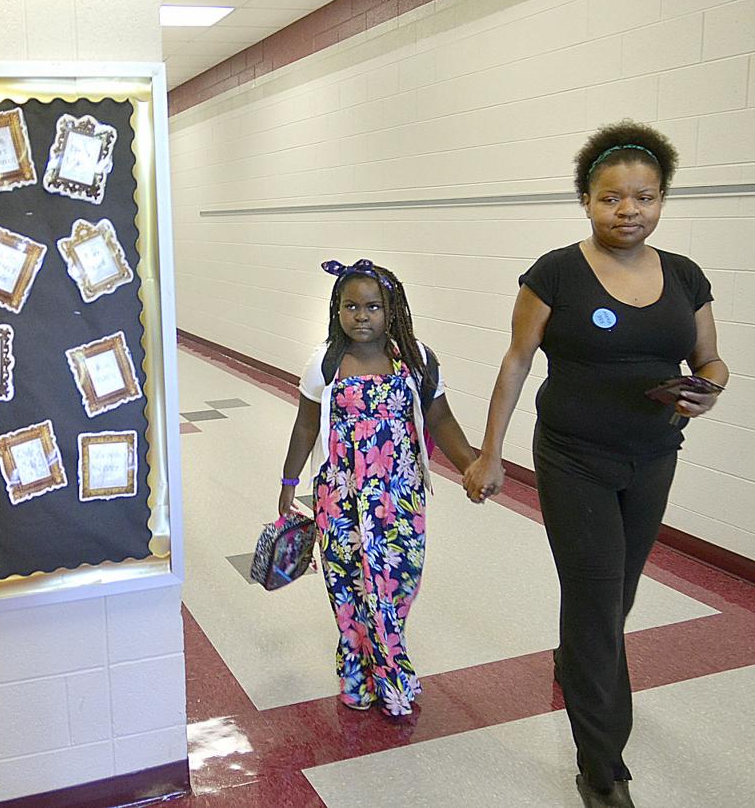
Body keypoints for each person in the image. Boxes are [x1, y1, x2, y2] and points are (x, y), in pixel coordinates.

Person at [462, 121, 728, 808]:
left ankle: (575, 666)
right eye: (612, 198)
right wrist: (491, 452)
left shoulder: (687, 276)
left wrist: (710, 386)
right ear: (587, 199)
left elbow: (708, 357)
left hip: (655, 455)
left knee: (617, 596)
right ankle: (603, 766)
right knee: (593, 603)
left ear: (662, 199)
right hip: (573, 457)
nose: (629, 211)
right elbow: (517, 361)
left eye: (645, 197)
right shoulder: (555, 272)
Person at [278, 259, 478, 715]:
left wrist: (471, 463)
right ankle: (360, 676)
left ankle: (388, 666)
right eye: (351, 306)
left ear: (393, 311)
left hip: (399, 495)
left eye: (373, 306)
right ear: (337, 309)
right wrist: (289, 481)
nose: (361, 316)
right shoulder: (325, 361)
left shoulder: (416, 358)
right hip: (340, 496)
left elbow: (441, 418)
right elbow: (306, 425)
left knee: (396, 582)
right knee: (347, 584)